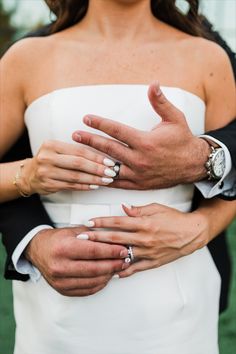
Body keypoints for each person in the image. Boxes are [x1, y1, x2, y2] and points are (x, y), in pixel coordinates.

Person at [0, 1, 236, 353]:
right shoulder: (26, 58)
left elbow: (230, 184)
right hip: (58, 311)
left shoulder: (209, 57)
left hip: (178, 298)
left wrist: (200, 226)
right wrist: (29, 175)